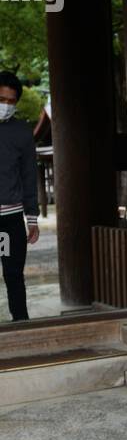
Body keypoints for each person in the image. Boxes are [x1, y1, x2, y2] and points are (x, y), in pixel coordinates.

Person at [0, 70, 39, 322]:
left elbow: (28, 175)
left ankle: (22, 326)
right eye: (1, 99)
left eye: (10, 101)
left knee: (13, 274)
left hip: (9, 220)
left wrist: (32, 218)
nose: (5, 105)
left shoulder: (22, 132)